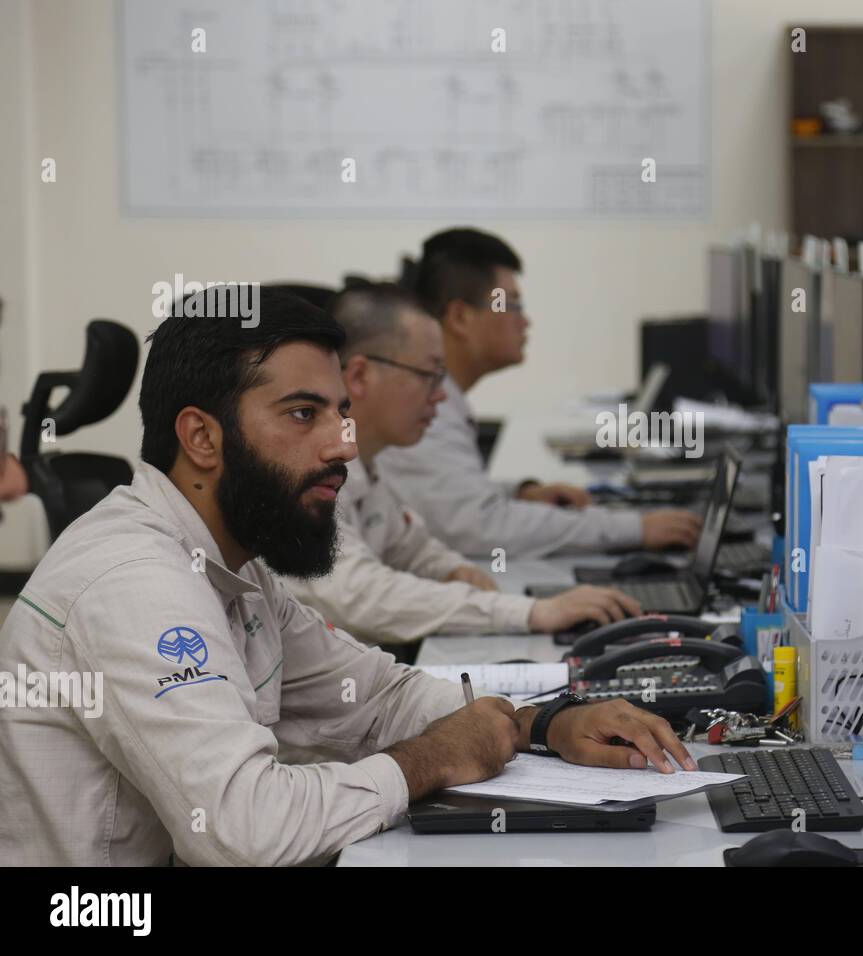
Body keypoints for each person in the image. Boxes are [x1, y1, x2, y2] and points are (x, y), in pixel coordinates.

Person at [0, 288, 694, 866]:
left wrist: (547, 723)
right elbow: (248, 830)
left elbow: (375, 696)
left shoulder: (226, 564)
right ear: (201, 438)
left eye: (341, 413)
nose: (342, 444)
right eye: (304, 414)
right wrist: (431, 760)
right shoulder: (136, 584)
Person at [284, 281, 643, 645]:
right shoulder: (302, 473)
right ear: (360, 376)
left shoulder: (365, 467)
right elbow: (359, 597)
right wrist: (529, 612)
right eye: (429, 375)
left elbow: (409, 543)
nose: (441, 395)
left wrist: (452, 569)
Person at [379, 227, 702, 557]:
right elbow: (480, 527)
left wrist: (519, 494)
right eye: (513, 305)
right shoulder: (422, 404)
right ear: (461, 317)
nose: (526, 321)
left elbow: (451, 502)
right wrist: (633, 529)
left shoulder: (440, 397)